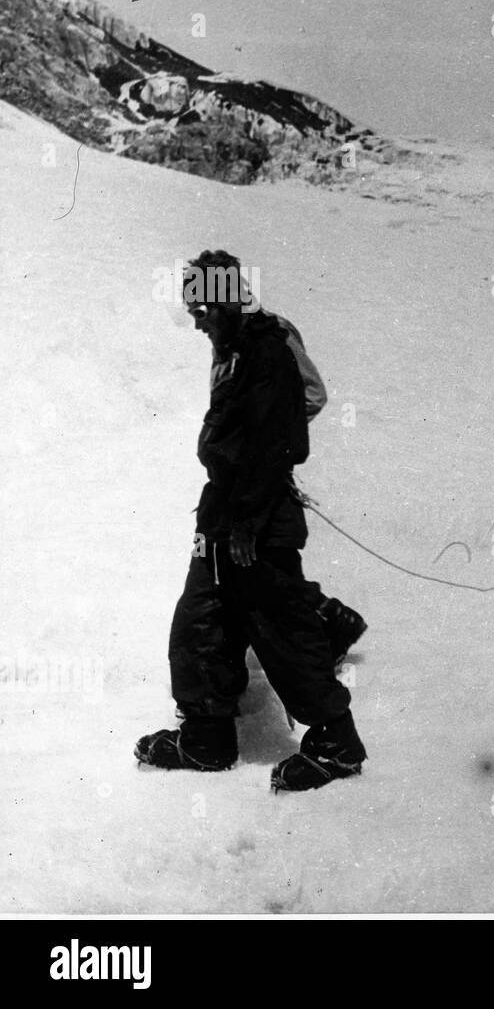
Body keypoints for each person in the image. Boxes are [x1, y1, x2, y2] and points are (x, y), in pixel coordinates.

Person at [135, 253, 367, 791]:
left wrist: (249, 515)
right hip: (223, 508)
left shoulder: (267, 348)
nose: (195, 320)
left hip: (255, 517)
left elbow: (274, 437)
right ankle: (206, 736)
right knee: (201, 622)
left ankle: (336, 742)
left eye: (200, 308)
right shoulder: (233, 348)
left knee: (282, 629)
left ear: (223, 300)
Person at [193, 251, 367, 665]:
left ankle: (325, 631)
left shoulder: (271, 337)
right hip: (242, 477)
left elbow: (311, 395)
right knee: (261, 575)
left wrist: (262, 434)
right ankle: (328, 623)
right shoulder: (230, 339)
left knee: (265, 570)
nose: (197, 322)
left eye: (201, 308)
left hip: (263, 474)